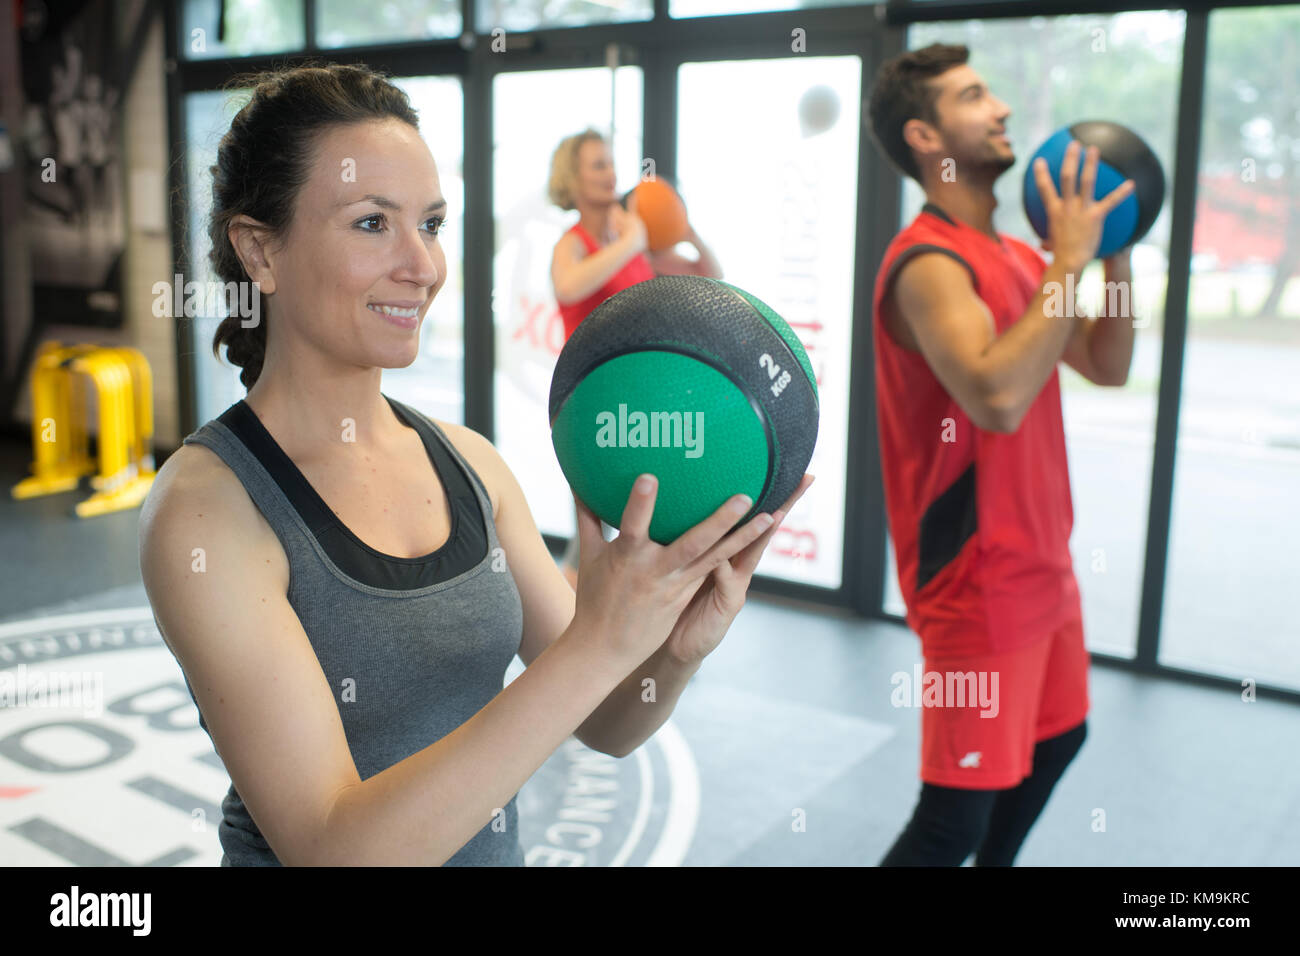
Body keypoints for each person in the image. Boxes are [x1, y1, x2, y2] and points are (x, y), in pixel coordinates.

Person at [138, 63, 811, 866]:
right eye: (369, 224)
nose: (420, 266)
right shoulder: (209, 509)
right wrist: (599, 641)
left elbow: (608, 722)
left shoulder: (471, 465)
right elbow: (331, 847)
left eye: (430, 223)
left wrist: (672, 650)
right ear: (260, 251)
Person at [865, 43, 1136, 865]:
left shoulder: (1020, 258)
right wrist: (1073, 260)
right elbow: (998, 396)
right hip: (974, 580)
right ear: (924, 134)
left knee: (1058, 740)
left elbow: (1109, 364)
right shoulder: (928, 264)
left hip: (1041, 563)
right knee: (954, 816)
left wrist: (1117, 249)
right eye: (974, 96)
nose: (1002, 108)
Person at [548, 129, 723, 589]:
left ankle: (632, 639)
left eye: (611, 163)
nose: (611, 174)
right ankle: (568, 632)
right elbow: (569, 287)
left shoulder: (632, 237)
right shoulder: (575, 243)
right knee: (591, 529)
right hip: (591, 400)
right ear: (574, 177)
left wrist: (684, 229)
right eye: (598, 165)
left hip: (641, 401)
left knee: (640, 523)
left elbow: (711, 277)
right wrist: (631, 241)